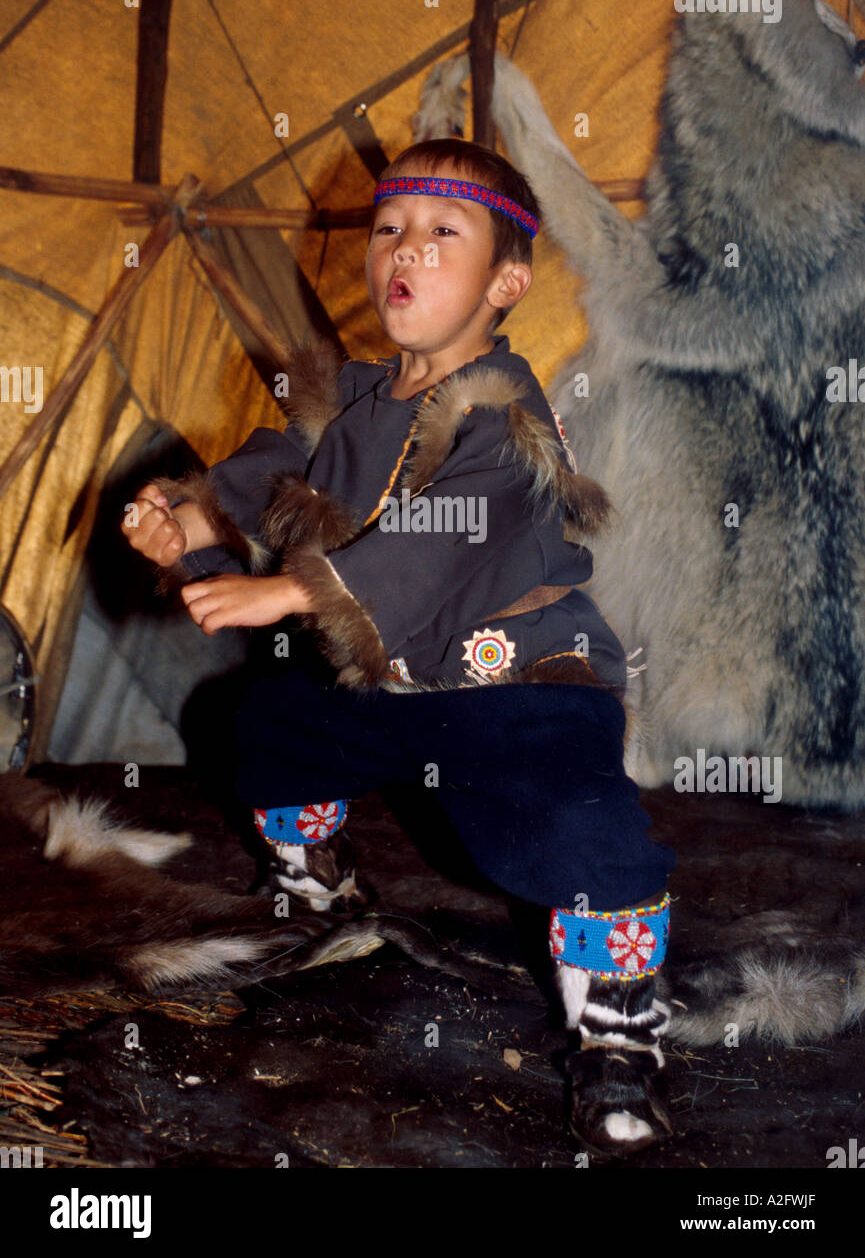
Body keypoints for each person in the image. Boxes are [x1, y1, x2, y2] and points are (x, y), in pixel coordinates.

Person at [121, 137, 676, 1157]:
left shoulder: (509, 416)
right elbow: (278, 462)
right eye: (385, 230)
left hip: (523, 682)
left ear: (506, 281)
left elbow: (445, 536)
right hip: (396, 685)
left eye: (438, 231)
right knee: (270, 724)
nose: (400, 250)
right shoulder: (357, 400)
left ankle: (617, 1026)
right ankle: (317, 886)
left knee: (572, 820)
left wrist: (287, 587)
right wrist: (187, 515)